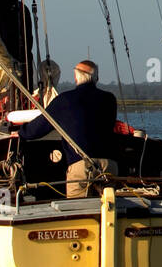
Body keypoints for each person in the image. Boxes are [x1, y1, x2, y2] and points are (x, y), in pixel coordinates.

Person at [18, 60, 118, 197]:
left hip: (81, 166)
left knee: (80, 211)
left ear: (76, 77)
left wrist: (20, 132)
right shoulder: (109, 99)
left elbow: (36, 129)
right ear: (96, 78)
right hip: (108, 166)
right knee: (108, 206)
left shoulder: (64, 100)